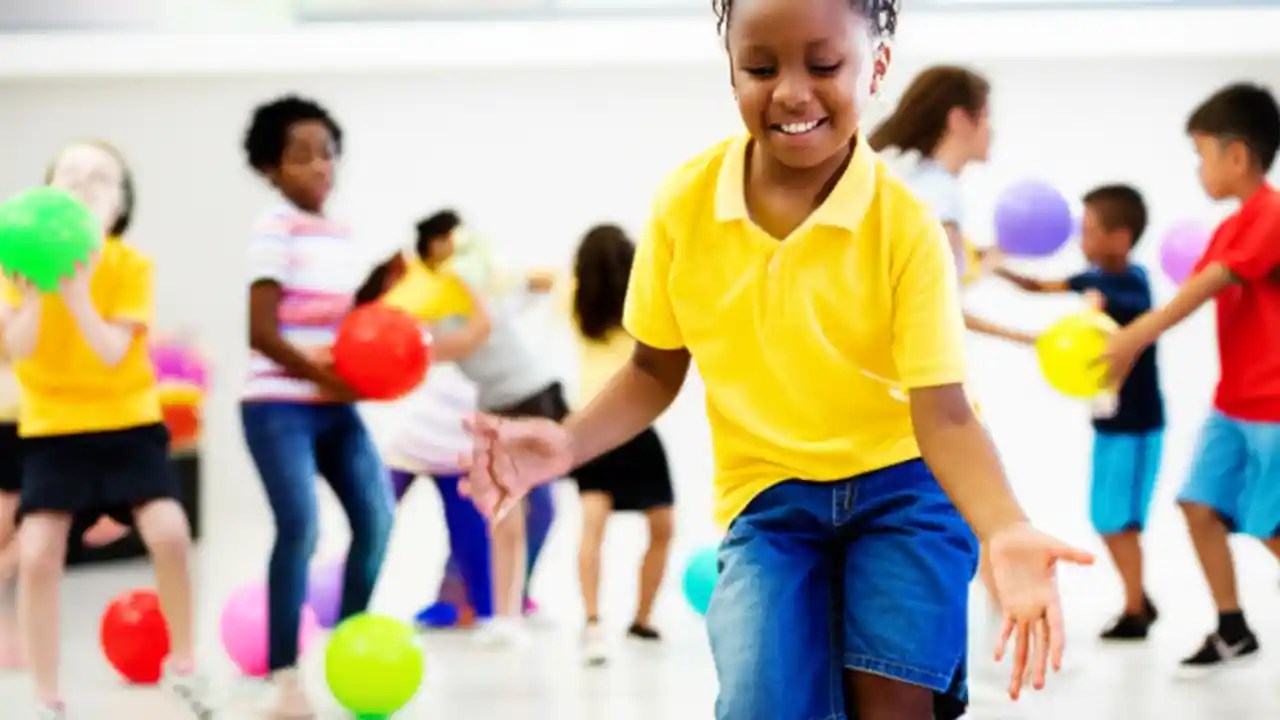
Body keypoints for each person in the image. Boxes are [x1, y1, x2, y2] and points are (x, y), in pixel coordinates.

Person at [458, 0, 1094, 717]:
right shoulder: (685, 205)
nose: (791, 91)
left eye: (823, 65)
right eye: (760, 67)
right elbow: (652, 368)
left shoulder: (906, 226)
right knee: (764, 702)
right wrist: (568, 442)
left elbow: (942, 413)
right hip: (771, 501)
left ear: (876, 65)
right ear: (732, 71)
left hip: (904, 490)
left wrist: (1003, 525)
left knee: (891, 696)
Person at [2, 140, 211, 719]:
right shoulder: (12, 261)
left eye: (102, 179)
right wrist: (42, 293)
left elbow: (114, 351)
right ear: (46, 194)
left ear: (120, 207)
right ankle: (46, 695)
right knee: (39, 551)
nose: (84, 184)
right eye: (70, 174)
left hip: (127, 421)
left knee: (169, 531)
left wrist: (77, 291)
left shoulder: (129, 265)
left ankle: (186, 664)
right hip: (52, 429)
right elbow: (15, 351)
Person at [1103, 82, 1280, 678]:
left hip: (1274, 405)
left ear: (1236, 156)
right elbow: (1186, 291)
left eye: (1202, 154)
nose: (1198, 168)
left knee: (1271, 525)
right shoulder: (1231, 226)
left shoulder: (1270, 215)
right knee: (1199, 504)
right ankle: (1233, 628)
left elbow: (1202, 291)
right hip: (1233, 404)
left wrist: (1131, 339)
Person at [241, 95, 394, 718]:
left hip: (333, 406)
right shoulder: (273, 225)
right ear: (270, 168)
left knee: (377, 518)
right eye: (300, 156)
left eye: (327, 153)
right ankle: (284, 671)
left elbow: (343, 323)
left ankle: (348, 645)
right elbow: (262, 330)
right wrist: (327, 384)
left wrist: (377, 289)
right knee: (300, 525)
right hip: (277, 406)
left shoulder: (341, 230)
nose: (318, 166)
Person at [370, 210, 566, 649]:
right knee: (504, 511)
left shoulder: (476, 286)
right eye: (450, 239)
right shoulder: (436, 310)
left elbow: (532, 284)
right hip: (498, 405)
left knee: (525, 510)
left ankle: (511, 609)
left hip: (530, 397)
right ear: (434, 247)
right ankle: (504, 613)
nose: (458, 245)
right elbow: (465, 339)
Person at [997, 185, 1165, 640]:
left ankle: (1136, 608)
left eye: (1090, 230)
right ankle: (1138, 600)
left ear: (1121, 238)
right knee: (1109, 518)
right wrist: (996, 264)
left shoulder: (1133, 285)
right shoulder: (1093, 277)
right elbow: (1040, 286)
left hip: (1136, 426)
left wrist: (1094, 306)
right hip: (1111, 424)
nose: (1081, 239)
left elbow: (1124, 312)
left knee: (1119, 522)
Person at [566, 224, 675, 666]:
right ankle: (602, 620)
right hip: (606, 426)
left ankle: (630, 619)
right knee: (633, 526)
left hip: (614, 426)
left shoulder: (614, 299)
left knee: (638, 525)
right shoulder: (593, 298)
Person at [869, 65, 1034, 345]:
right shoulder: (939, 194)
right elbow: (939, 300)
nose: (991, 132)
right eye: (985, 118)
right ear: (958, 120)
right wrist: (1026, 338)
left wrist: (994, 258)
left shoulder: (918, 182)